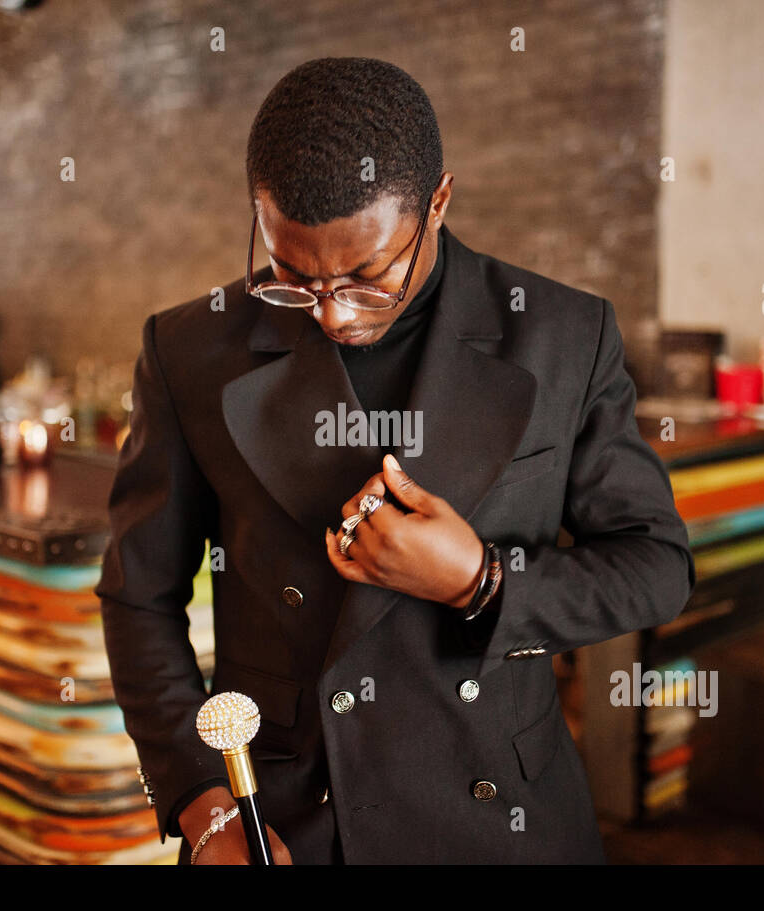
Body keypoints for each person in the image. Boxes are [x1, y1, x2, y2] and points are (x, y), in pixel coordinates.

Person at [96, 57, 695, 865]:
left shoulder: (562, 336)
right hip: (286, 823)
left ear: (438, 202)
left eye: (369, 276)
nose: (334, 313)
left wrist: (481, 581)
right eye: (293, 277)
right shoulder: (189, 348)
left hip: (500, 816)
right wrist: (204, 804)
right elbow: (140, 599)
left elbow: (656, 567)